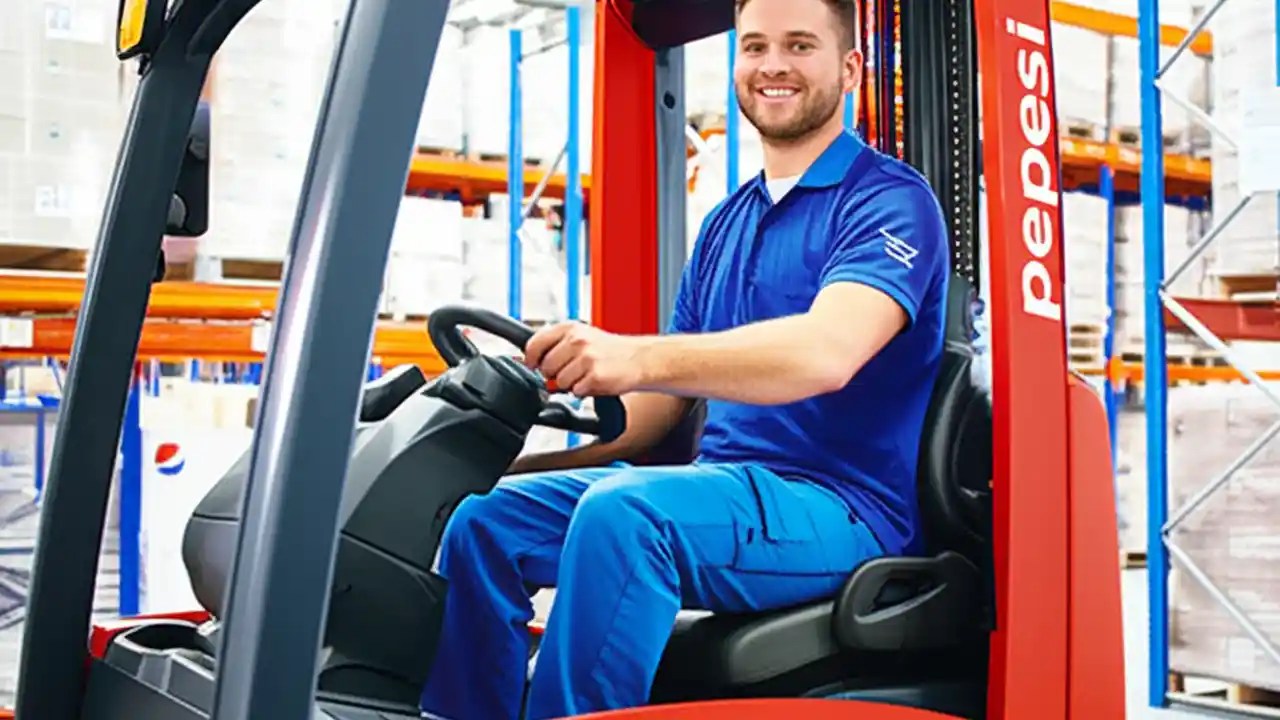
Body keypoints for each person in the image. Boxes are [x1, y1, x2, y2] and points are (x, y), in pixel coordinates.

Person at [419, 0, 950, 717]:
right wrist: (494, 459)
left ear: (850, 67)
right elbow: (651, 416)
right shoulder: (727, 224)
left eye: (800, 45)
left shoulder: (888, 202)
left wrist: (634, 355)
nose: (773, 66)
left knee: (627, 515)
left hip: (839, 506)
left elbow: (826, 353)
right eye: (756, 46)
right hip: (725, 489)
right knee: (483, 519)